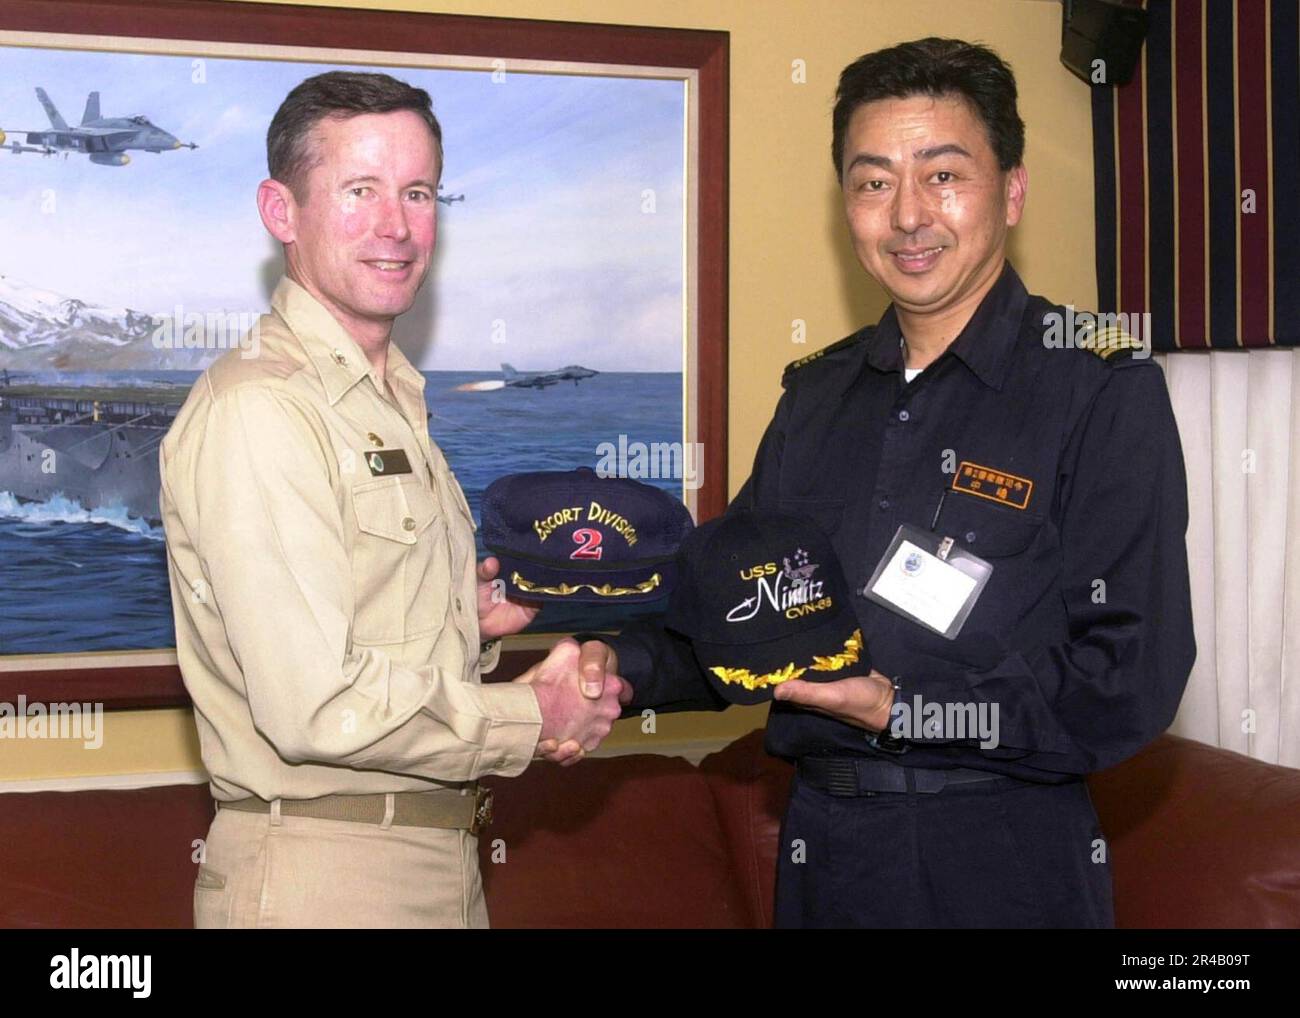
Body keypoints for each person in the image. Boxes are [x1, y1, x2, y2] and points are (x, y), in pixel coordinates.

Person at [561, 37, 1196, 927]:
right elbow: (734, 618)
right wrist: (613, 668)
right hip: (825, 850)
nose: (906, 216)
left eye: (942, 176)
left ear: (1011, 189)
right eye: (872, 182)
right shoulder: (817, 396)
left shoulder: (1098, 387)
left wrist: (908, 711)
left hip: (1005, 854)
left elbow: (1129, 675)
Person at [159, 70, 625, 929]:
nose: (396, 225)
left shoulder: (388, 399)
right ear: (281, 211)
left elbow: (348, 625)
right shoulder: (263, 408)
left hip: (429, 858)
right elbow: (313, 707)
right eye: (359, 190)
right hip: (324, 877)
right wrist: (536, 712)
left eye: (417, 192)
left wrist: (457, 620)